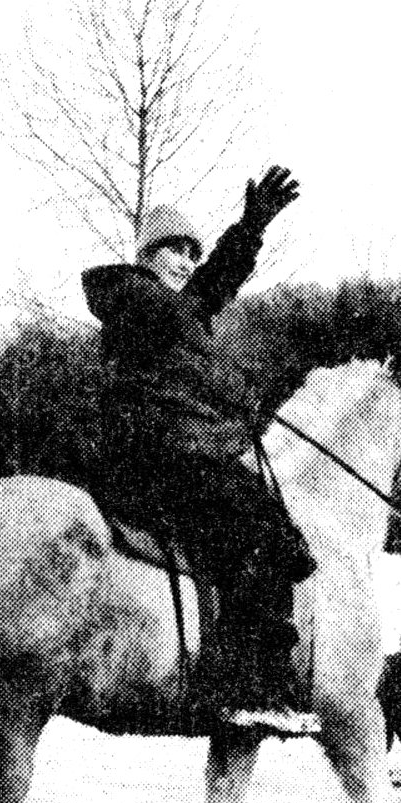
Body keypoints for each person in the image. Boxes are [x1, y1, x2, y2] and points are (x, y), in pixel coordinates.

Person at [81, 166, 319, 734]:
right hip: (158, 459)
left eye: (192, 251)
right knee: (261, 527)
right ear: (147, 258)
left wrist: (243, 402)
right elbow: (205, 295)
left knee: (262, 518)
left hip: (174, 449)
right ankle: (249, 684)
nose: (186, 262)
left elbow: (193, 375)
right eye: (174, 251)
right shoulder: (140, 301)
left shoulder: (165, 315)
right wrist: (247, 232)